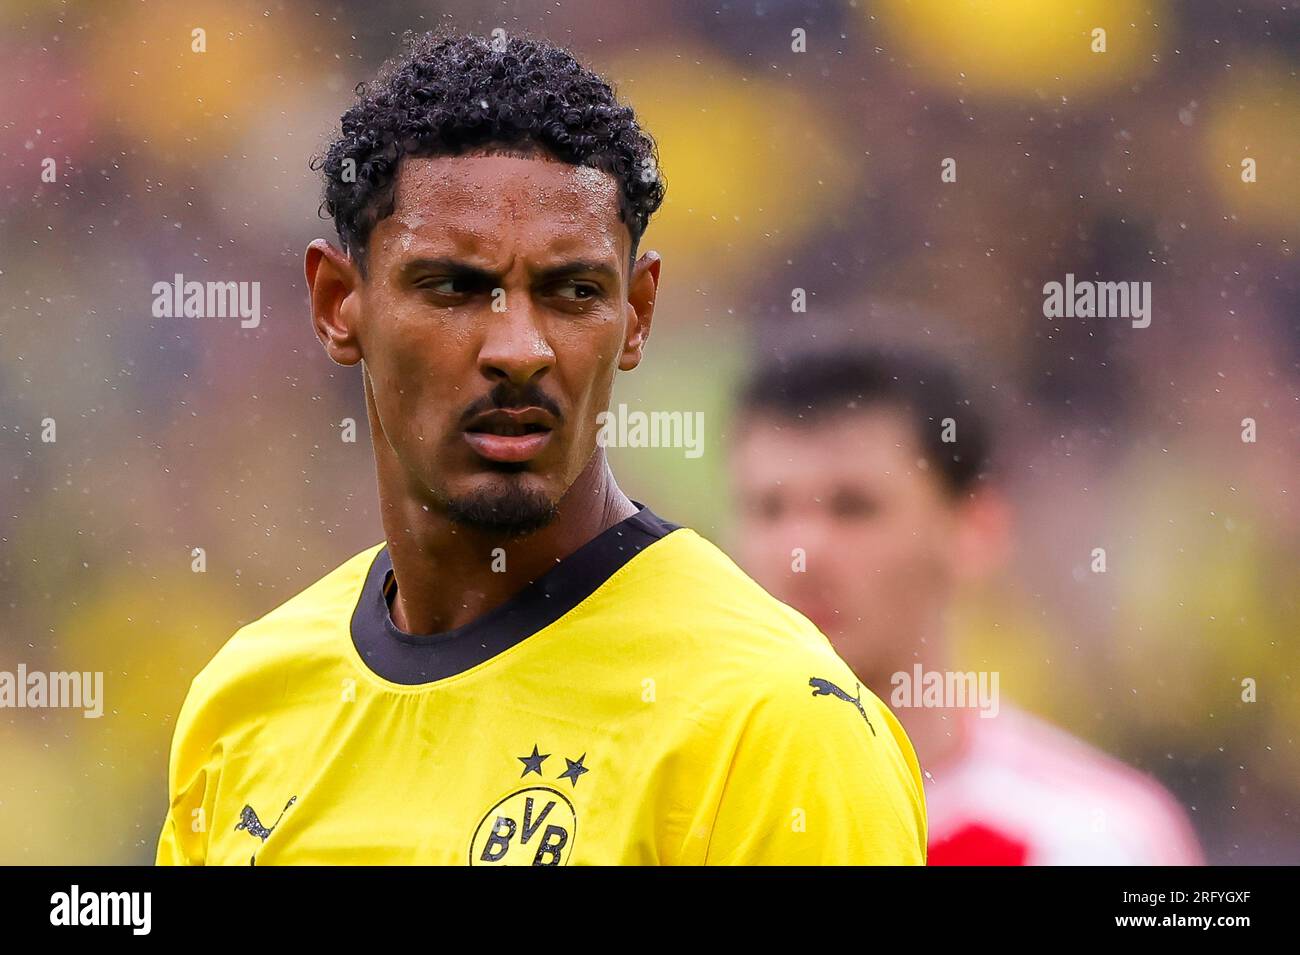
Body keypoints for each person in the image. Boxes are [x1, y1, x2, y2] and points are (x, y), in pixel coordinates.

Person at [155, 31, 926, 866]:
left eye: (573, 292)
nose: (520, 348)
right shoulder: (245, 702)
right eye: (452, 287)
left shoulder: (772, 724)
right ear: (340, 303)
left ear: (636, 314)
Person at [729, 342, 1202, 864]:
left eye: (854, 507)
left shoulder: (1098, 840)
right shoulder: (677, 815)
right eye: (769, 510)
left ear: (975, 529)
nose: (803, 553)